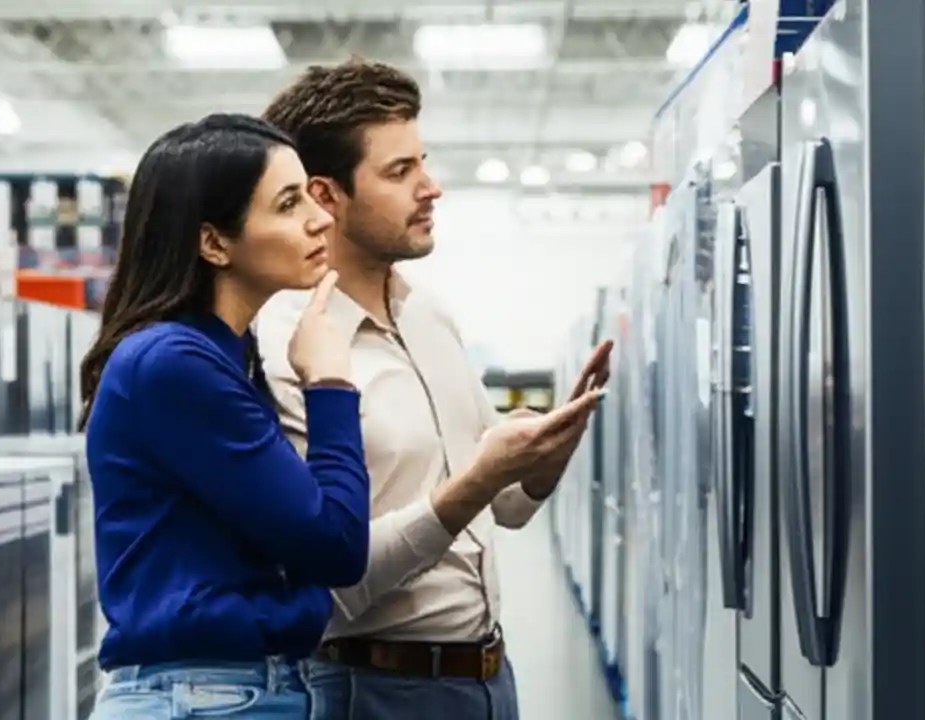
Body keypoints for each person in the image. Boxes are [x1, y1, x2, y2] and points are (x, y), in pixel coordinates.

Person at [253, 59, 612, 720]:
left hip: (487, 680)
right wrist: (479, 479)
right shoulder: (284, 348)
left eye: (423, 162)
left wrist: (545, 457)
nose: (432, 187)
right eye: (400, 172)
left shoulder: (428, 315)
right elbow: (335, 581)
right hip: (370, 690)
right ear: (326, 198)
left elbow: (503, 506)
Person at [78, 113, 370, 718]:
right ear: (214, 242)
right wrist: (331, 382)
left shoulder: (220, 356)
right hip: (204, 697)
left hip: (225, 690)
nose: (320, 218)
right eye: (288, 204)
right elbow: (336, 545)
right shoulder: (172, 363)